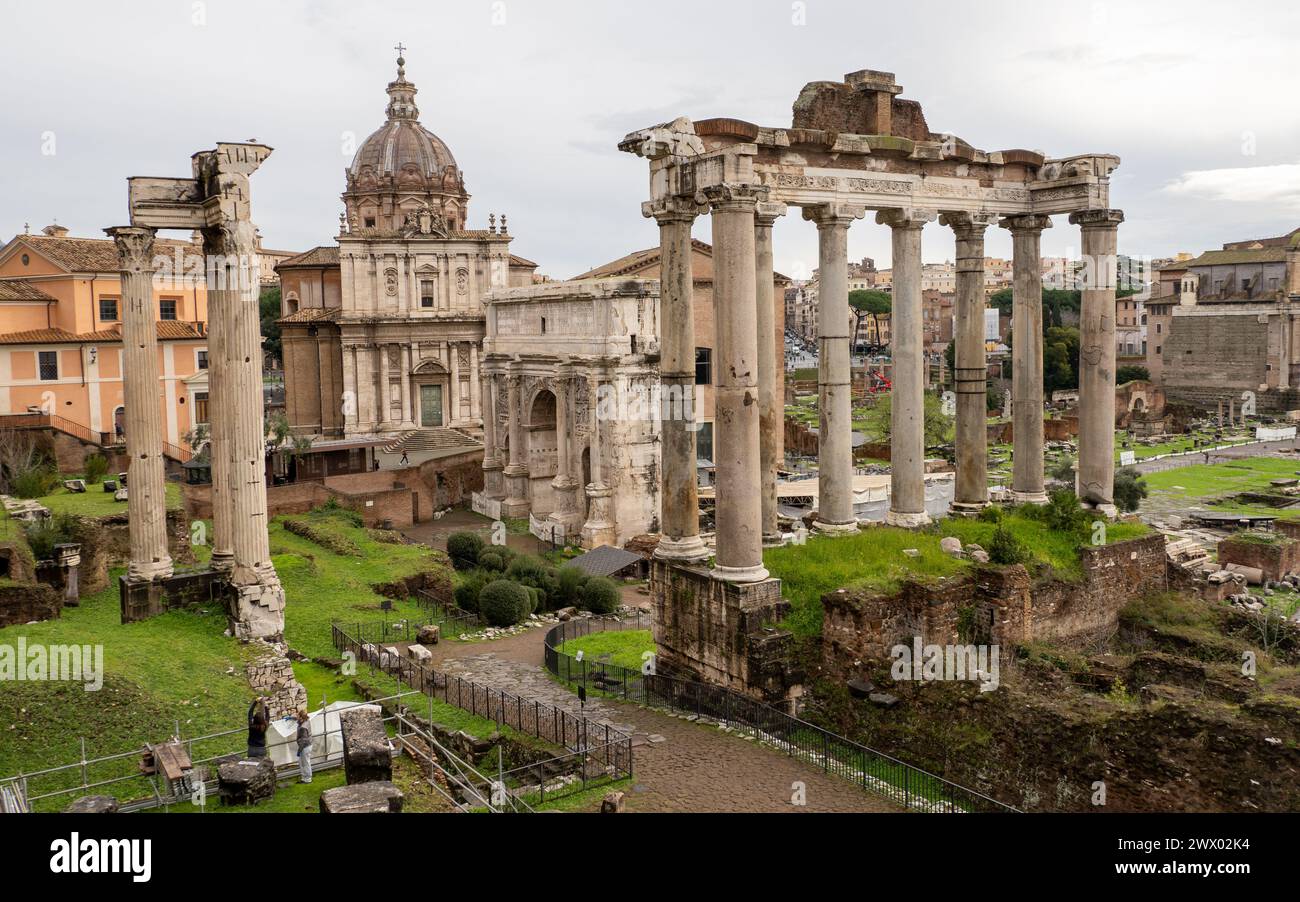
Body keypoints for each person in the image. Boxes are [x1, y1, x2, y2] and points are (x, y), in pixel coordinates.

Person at [295, 710, 313, 783]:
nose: (296, 716)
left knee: (306, 763)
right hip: (307, 745)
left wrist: (299, 751)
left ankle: (308, 779)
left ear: (301, 717)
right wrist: (291, 718)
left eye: (298, 715)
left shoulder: (303, 727)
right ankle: (304, 778)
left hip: (305, 746)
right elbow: (298, 719)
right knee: (303, 763)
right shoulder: (306, 720)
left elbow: (303, 740)